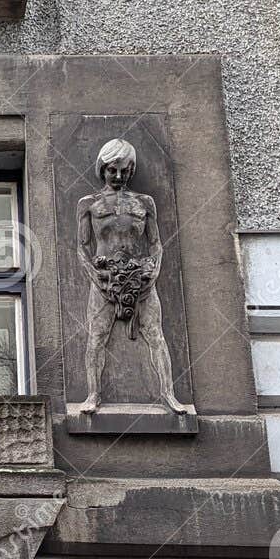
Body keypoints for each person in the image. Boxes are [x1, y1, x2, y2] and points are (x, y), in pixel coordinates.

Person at [67, 138, 191, 416]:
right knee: (96, 337)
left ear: (131, 170)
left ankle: (168, 395)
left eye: (125, 170)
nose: (119, 176)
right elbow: (81, 247)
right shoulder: (89, 204)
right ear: (103, 168)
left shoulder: (144, 203)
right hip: (104, 280)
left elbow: (156, 243)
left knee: (156, 336)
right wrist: (94, 277)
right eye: (113, 169)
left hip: (141, 278)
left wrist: (154, 270)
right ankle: (93, 395)